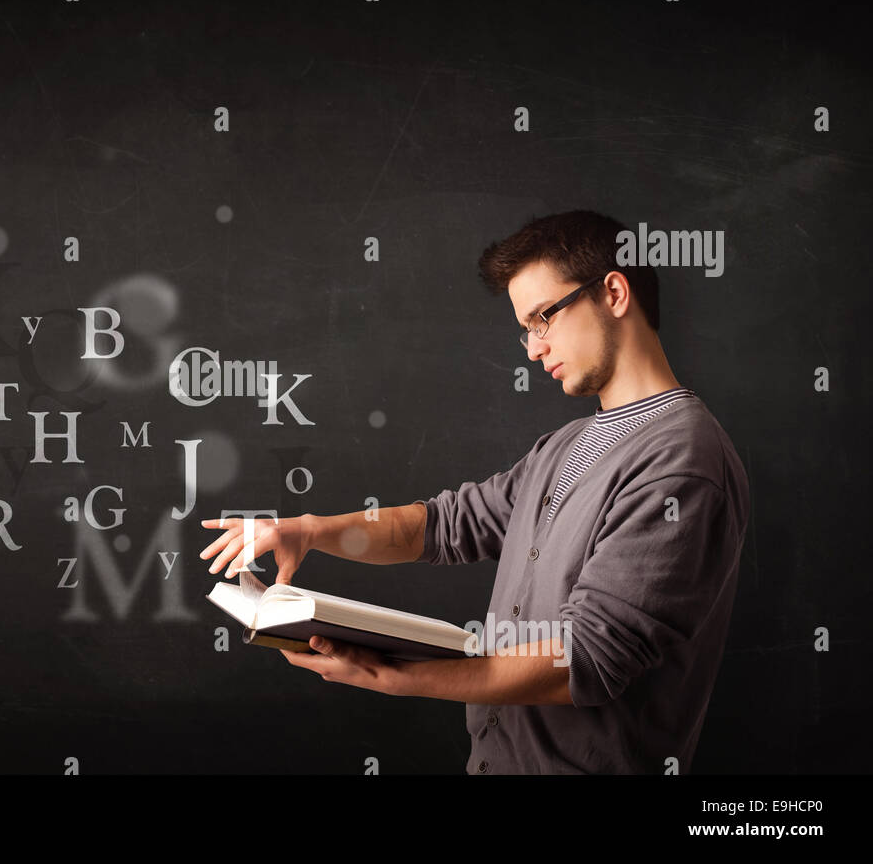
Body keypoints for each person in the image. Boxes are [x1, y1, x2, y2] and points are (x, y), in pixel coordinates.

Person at [199, 210, 750, 774]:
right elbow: (440, 524)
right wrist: (310, 530)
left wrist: (398, 676)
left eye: (544, 318)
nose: (533, 350)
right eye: (525, 328)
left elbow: (585, 658)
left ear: (612, 292)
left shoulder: (682, 462)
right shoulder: (564, 446)